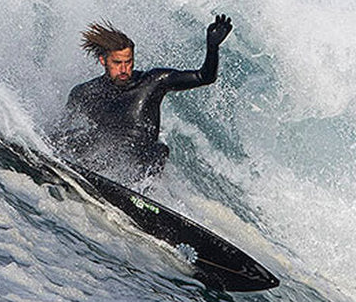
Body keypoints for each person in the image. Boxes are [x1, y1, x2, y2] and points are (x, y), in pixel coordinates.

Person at [53, 14, 232, 180]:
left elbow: (204, 77)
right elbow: (63, 129)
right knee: (77, 135)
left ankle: (140, 192)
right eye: (117, 63)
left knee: (160, 150)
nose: (123, 69)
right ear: (103, 60)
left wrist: (212, 47)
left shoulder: (153, 82)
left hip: (138, 168)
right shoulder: (85, 93)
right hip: (102, 163)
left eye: (128, 62)